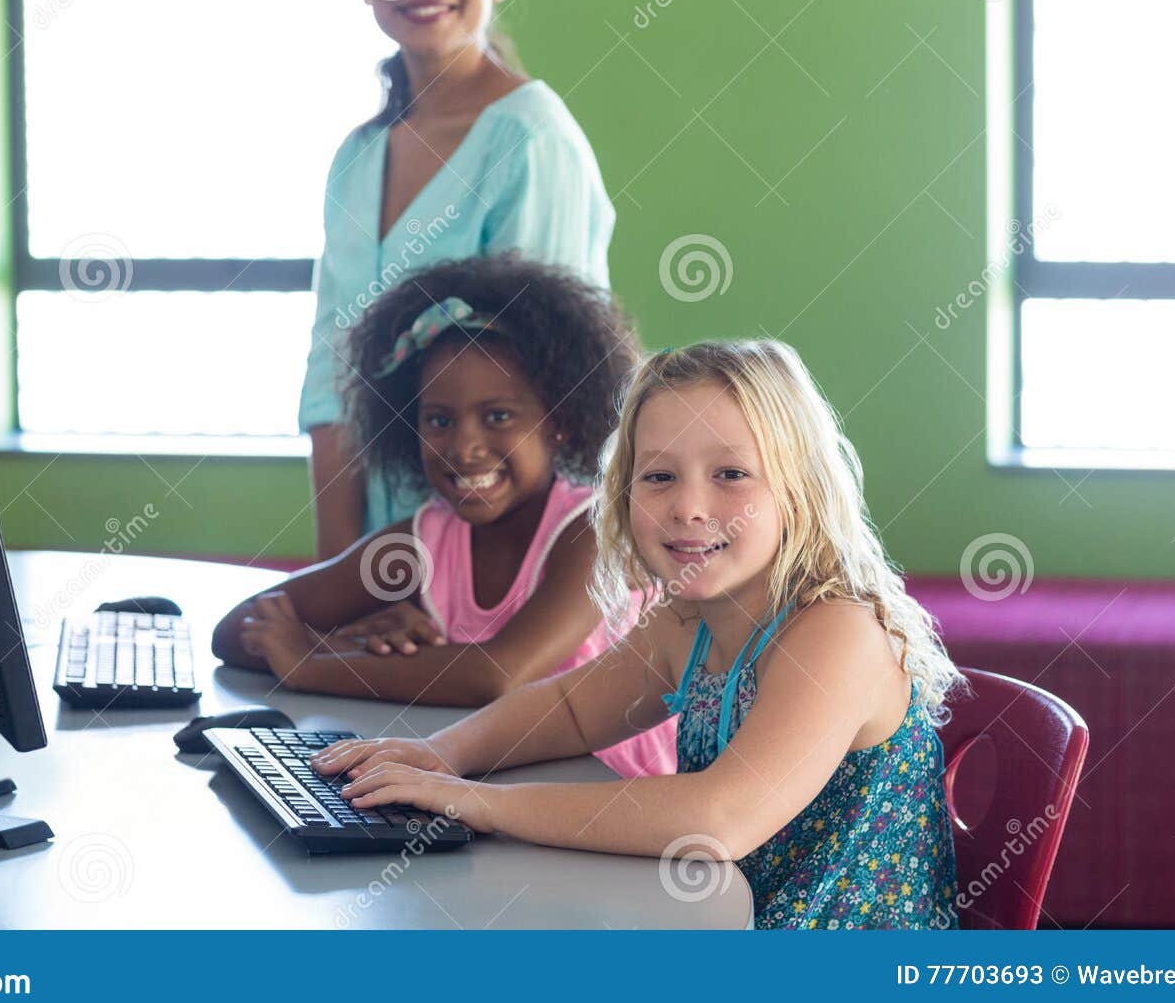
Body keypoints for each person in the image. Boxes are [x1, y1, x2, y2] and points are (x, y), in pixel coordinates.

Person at [306, 340, 965, 928]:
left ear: (799, 490)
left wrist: (478, 802)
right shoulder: (685, 620)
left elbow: (718, 818)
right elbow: (568, 707)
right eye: (659, 476)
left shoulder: (837, 632)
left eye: (730, 474)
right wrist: (443, 753)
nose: (689, 507)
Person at [217, 256, 674, 778]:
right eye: (438, 420)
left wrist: (308, 665)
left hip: (609, 793)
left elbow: (498, 673)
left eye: (498, 416)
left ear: (560, 423)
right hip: (490, 781)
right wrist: (353, 642)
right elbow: (238, 630)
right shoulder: (424, 542)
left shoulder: (594, 533)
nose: (465, 446)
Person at [302, 0, 618, 560]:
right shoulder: (357, 159)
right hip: (386, 558)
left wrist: (471, 593)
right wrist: (340, 576)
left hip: (504, 568)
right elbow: (332, 386)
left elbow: (542, 393)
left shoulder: (532, 140)